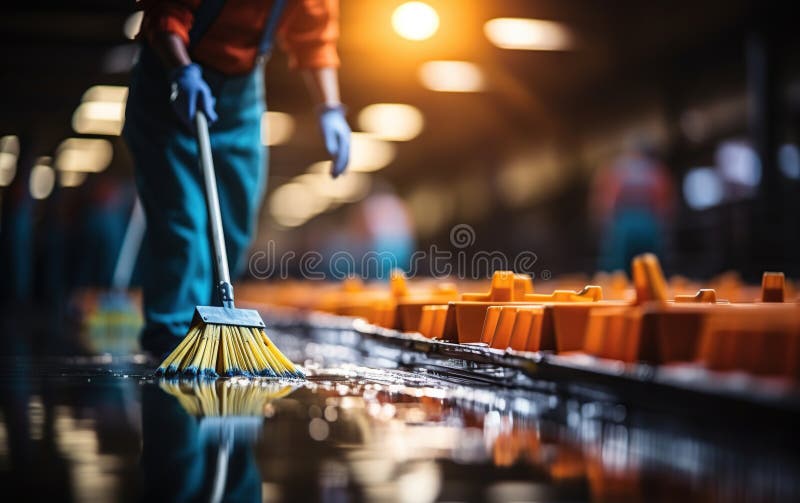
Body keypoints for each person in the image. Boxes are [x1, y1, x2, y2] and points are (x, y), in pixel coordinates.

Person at [124, 0, 351, 355]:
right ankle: (172, 339)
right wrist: (180, 70)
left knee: (236, 220)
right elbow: (166, 13)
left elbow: (315, 36)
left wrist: (330, 108)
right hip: (172, 81)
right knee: (182, 223)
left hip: (242, 92)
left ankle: (211, 335)